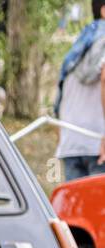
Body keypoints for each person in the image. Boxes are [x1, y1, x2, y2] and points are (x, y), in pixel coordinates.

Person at [55, 0, 105, 180]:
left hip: (71, 142)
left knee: (75, 207)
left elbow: (60, 93)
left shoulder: (77, 49)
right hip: (98, 142)